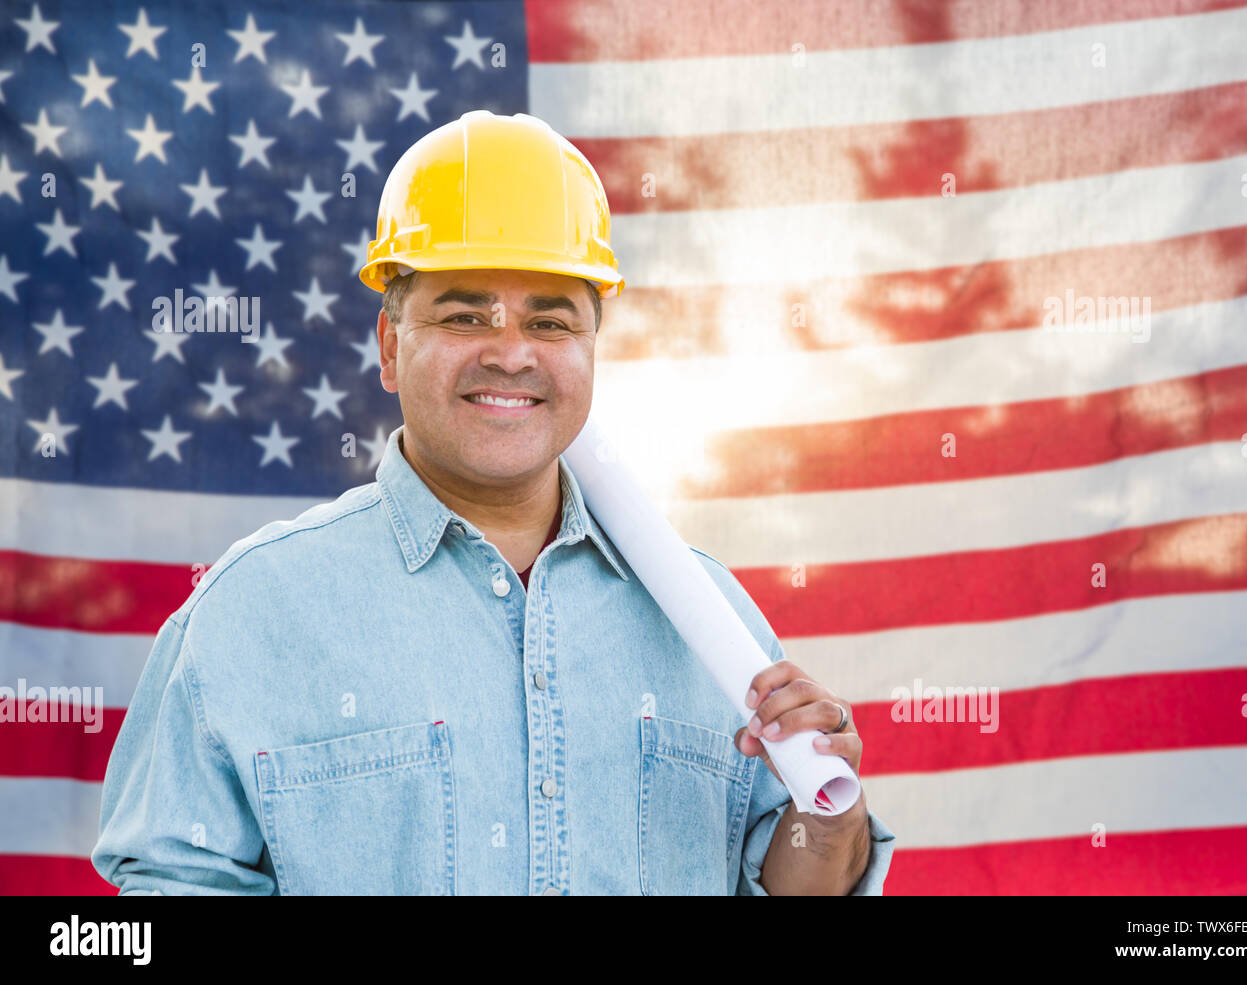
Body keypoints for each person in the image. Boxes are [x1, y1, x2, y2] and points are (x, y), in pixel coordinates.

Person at [92, 110, 895, 895]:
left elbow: (796, 884)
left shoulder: (708, 618)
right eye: (466, 313)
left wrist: (827, 825)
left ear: (590, 352)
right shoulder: (253, 612)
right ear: (391, 343)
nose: (511, 352)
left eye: (550, 320)